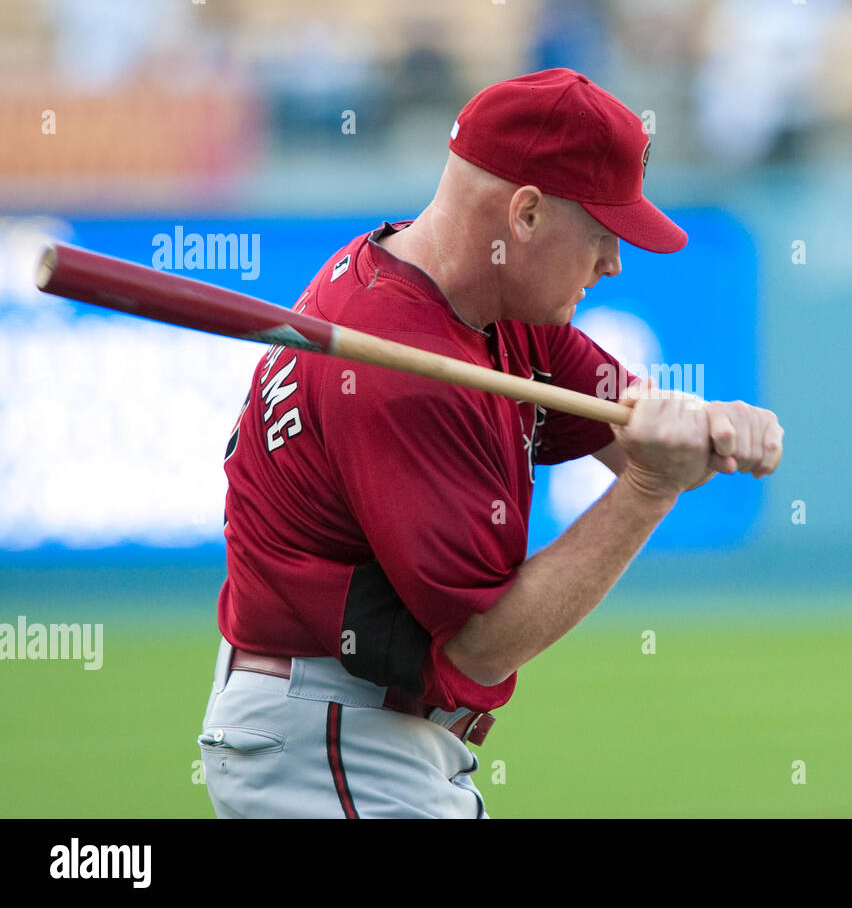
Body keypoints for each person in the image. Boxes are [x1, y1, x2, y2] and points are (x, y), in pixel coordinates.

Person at [198, 68, 784, 818]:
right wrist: (648, 489)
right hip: (330, 741)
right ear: (528, 214)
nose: (614, 263)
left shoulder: (491, 302)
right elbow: (480, 644)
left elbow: (629, 421)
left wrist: (710, 425)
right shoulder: (399, 366)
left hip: (362, 732)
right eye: (604, 234)